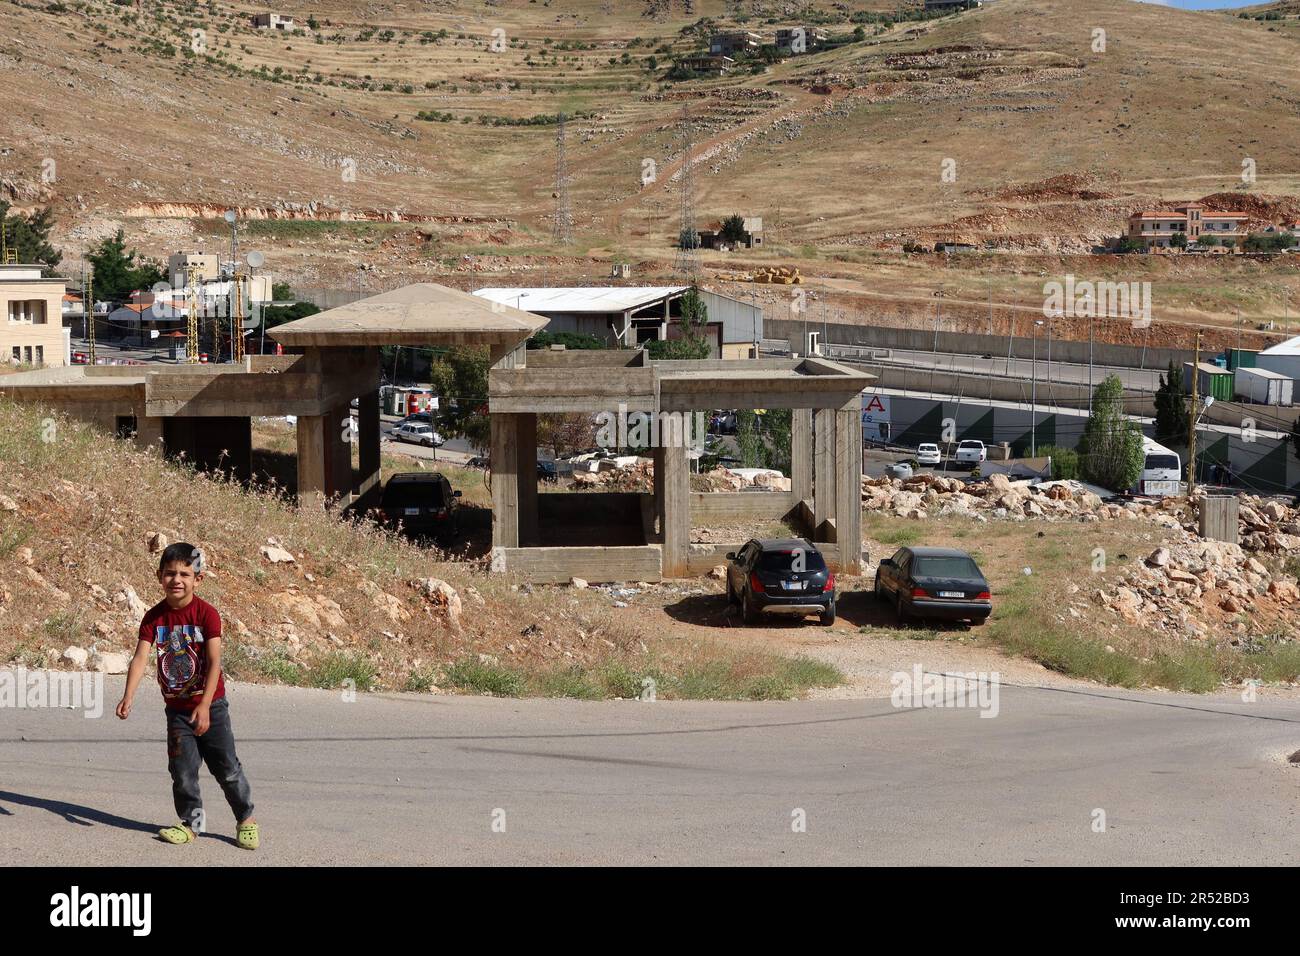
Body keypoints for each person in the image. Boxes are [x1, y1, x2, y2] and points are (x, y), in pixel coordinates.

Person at [116, 543, 258, 850]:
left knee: (228, 769)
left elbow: (215, 662)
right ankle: (191, 825)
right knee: (182, 773)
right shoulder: (154, 618)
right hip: (177, 711)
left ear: (198, 579)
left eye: (184, 573)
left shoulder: (207, 614)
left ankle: (245, 818)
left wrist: (206, 705)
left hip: (212, 707)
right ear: (159, 577)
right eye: (170, 573)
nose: (177, 579)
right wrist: (129, 696)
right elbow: (140, 658)